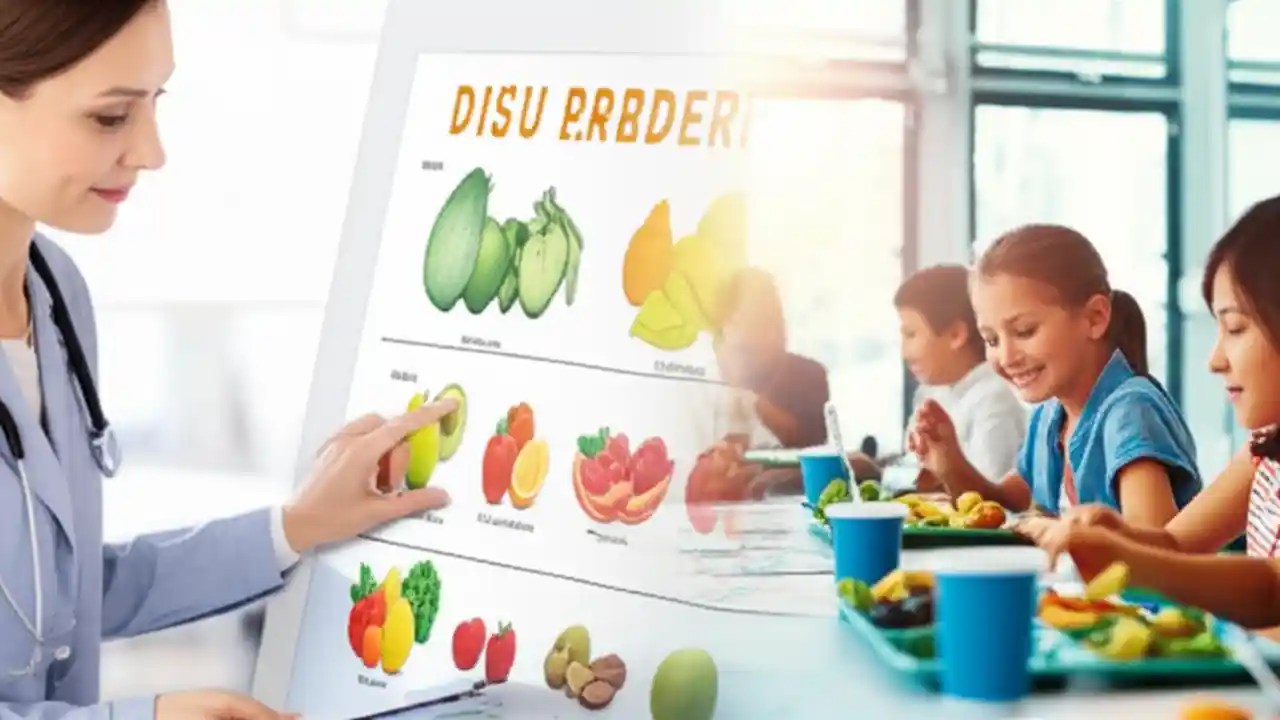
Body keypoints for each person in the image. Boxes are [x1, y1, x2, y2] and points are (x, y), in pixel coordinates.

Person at [0, 2, 459, 718]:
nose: (152, 152)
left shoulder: (57, 296)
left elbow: (61, 594)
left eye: (156, 102)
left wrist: (295, 525)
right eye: (110, 118)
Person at [1024, 196, 1280, 632]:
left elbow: (1271, 590)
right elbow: (1176, 541)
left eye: (1235, 328)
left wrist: (1131, 561)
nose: (1214, 360)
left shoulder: (1130, 405)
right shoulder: (1264, 450)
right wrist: (1116, 535)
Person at [908, 224, 1202, 528]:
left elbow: (1153, 540)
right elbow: (1006, 503)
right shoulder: (1049, 417)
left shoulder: (1130, 411)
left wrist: (1055, 530)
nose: (1006, 357)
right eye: (992, 340)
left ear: (1094, 318)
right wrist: (950, 464)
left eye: (1025, 331)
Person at [873, 264, 1026, 491]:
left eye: (911, 334)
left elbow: (990, 493)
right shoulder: (929, 393)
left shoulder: (994, 398)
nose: (904, 352)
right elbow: (913, 471)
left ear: (956, 335)